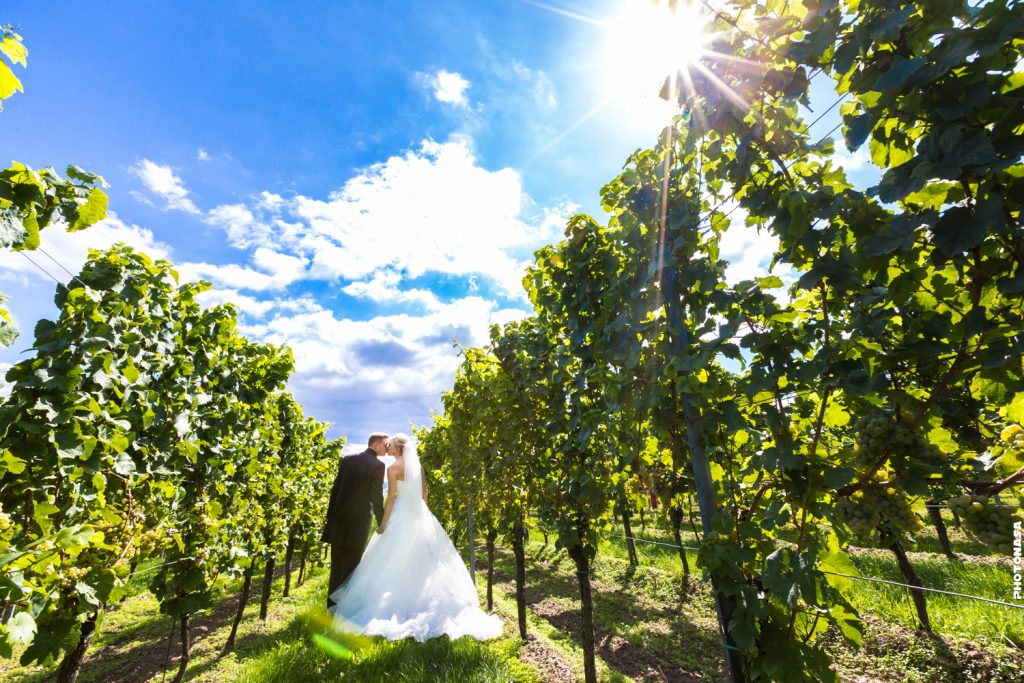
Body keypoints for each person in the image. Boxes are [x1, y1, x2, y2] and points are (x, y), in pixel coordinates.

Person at [328, 433, 503, 641]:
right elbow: (424, 495)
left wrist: (383, 523)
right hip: (419, 515)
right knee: (426, 560)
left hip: (400, 513)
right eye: (386, 445)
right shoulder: (418, 468)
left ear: (398, 448)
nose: (388, 448)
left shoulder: (392, 469)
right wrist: (423, 516)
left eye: (390, 445)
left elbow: (391, 498)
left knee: (389, 559)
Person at [321, 432, 387, 610]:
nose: (387, 449)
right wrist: (383, 522)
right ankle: (343, 610)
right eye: (384, 445)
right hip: (358, 523)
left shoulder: (347, 459)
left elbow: (335, 489)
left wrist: (329, 517)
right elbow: (377, 497)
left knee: (336, 567)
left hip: (338, 520)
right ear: (374, 444)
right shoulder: (378, 465)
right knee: (351, 568)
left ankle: (331, 608)